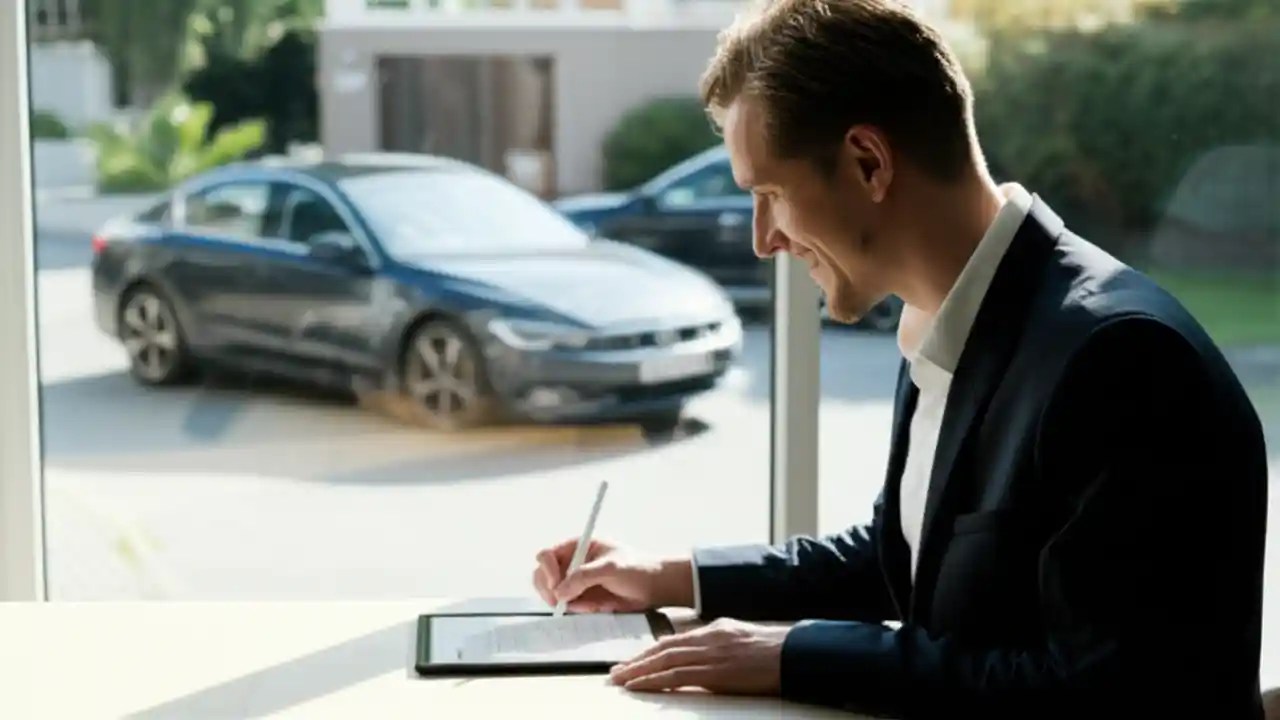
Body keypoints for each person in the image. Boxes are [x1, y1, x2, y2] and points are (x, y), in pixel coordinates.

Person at [532, 0, 1269, 716]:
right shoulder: (946, 318)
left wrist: (795, 654)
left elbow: (1102, 692)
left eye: (770, 194)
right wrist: (668, 577)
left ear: (867, 162)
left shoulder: (1121, 362)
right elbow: (906, 556)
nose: (764, 238)